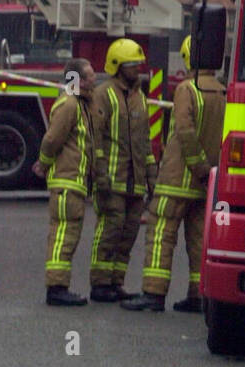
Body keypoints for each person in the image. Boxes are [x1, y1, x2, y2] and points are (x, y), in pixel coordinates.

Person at [122, 34, 225, 313]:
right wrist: (207, 174)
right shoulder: (223, 92)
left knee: (161, 235)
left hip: (177, 180)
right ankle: (197, 296)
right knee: (198, 241)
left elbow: (184, 131)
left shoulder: (187, 89)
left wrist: (197, 166)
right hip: (205, 185)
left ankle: (153, 295)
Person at [88, 38, 157, 302]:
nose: (137, 70)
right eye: (131, 65)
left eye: (138, 65)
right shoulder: (103, 94)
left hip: (135, 182)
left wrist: (152, 179)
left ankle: (116, 283)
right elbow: (97, 138)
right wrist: (100, 175)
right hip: (113, 180)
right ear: (117, 66)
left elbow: (145, 143)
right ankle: (99, 283)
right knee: (110, 231)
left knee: (128, 234)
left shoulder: (140, 97)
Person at [33, 57, 96, 307]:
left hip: (74, 183)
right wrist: (43, 163)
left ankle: (59, 286)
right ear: (76, 79)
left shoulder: (79, 104)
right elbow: (51, 140)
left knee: (68, 235)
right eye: (89, 75)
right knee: (63, 236)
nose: (93, 78)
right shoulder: (69, 104)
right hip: (67, 183)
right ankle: (56, 289)